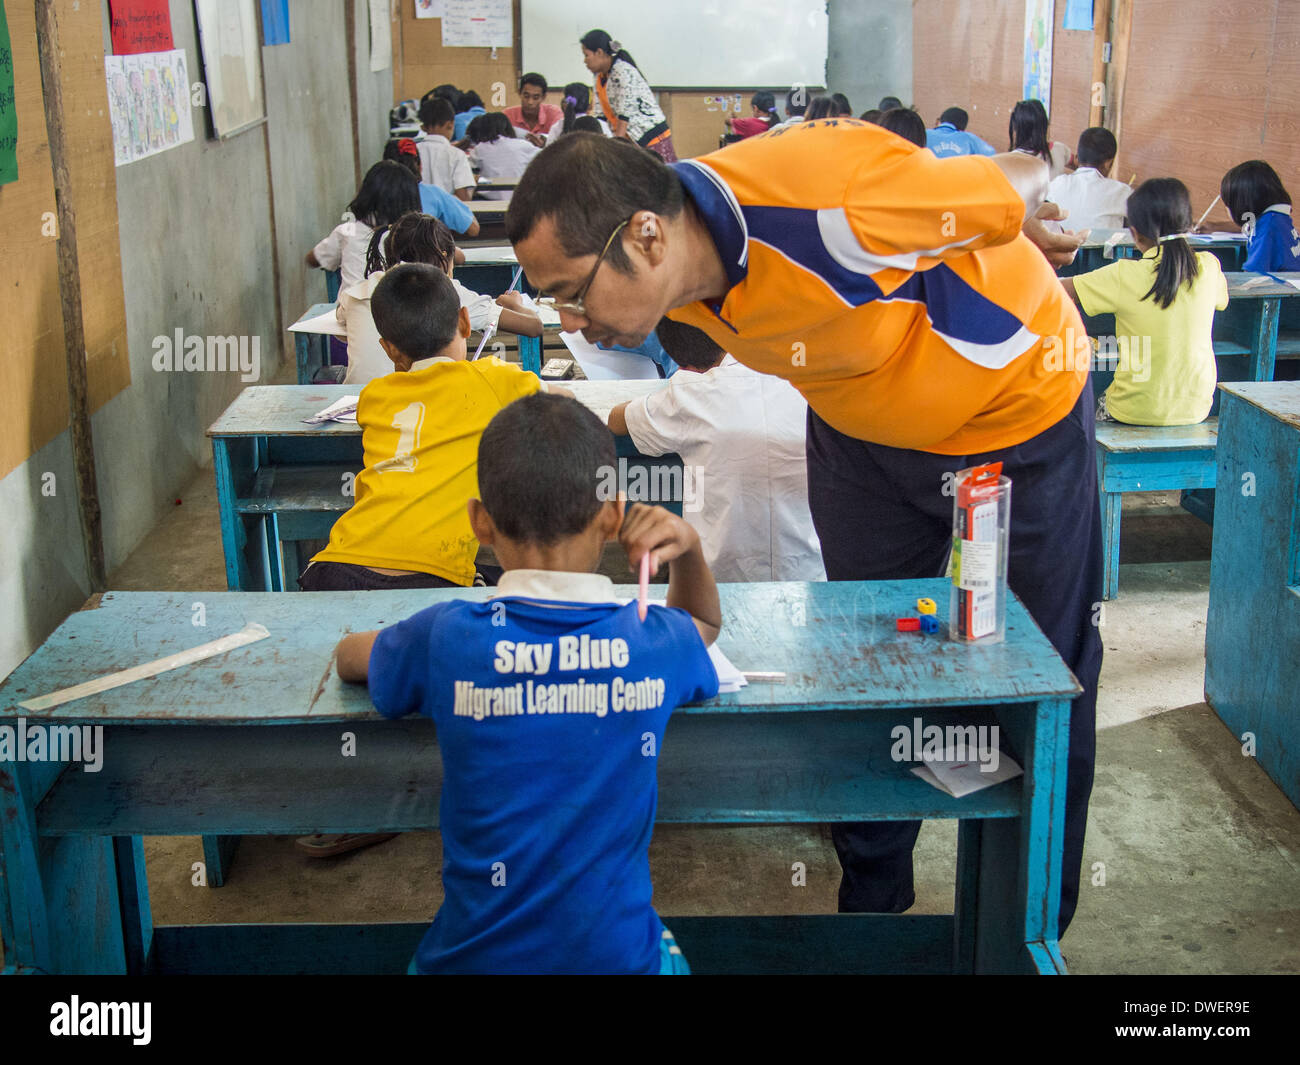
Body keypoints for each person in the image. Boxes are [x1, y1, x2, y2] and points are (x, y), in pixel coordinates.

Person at [506, 128, 1097, 936]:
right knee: (870, 656)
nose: (571, 319)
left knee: (1045, 670)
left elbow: (1023, 171)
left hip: (1017, 416)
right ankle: (872, 913)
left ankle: (1028, 929)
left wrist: (1003, 214)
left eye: (573, 292)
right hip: (861, 429)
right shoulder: (682, 259)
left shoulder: (837, 210)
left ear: (645, 235)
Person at [333, 391, 722, 974]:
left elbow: (349, 658)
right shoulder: (653, 641)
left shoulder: (448, 637)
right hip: (617, 961)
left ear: (480, 522)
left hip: (470, 961)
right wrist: (687, 547)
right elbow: (707, 625)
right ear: (612, 517)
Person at [301, 262, 547, 598]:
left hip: (335, 567)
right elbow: (558, 402)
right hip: (433, 574)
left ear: (388, 348)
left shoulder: (375, 396)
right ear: (464, 321)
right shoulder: (496, 379)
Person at [609, 318, 824, 582]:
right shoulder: (811, 379)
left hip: (718, 580)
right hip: (811, 572)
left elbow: (617, 420)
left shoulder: (690, 393)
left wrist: (666, 394)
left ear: (684, 367)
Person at [1061, 179, 1228, 425]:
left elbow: (1058, 290)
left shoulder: (1123, 274)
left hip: (1133, 409)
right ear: (1189, 224)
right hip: (1197, 407)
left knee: (1085, 410)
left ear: (1135, 233)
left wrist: (1061, 255)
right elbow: (1221, 301)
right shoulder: (1209, 266)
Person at [338, 213, 542, 386]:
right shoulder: (446, 290)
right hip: (418, 399)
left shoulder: (358, 291)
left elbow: (343, 331)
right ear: (446, 257)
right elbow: (534, 327)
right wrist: (517, 305)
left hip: (355, 399)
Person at [306, 160, 420, 289]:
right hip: (401, 307)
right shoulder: (417, 236)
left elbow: (312, 259)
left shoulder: (348, 231)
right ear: (413, 200)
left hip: (352, 307)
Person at [581, 28, 677, 162]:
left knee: (661, 178)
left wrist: (616, 146)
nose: (584, 61)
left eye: (586, 55)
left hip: (649, 137)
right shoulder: (598, 76)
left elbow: (624, 114)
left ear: (599, 52)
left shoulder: (622, 70)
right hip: (627, 139)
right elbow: (600, 115)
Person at [382, 138, 479, 237]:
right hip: (423, 251)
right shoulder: (434, 194)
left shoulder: (376, 195)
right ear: (420, 166)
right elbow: (474, 229)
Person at [1045, 127, 1130, 233]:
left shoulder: (1056, 184)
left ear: (1077, 157)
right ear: (1108, 163)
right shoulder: (1121, 191)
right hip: (1101, 249)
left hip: (1059, 247)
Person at [1220, 160, 1300, 273]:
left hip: (1283, 288)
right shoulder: (1277, 218)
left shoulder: (1267, 228)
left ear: (1243, 203)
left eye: (1228, 204)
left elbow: (1253, 274)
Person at [467, 113, 541, 199]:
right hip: (520, 199)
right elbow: (546, 158)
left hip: (490, 201)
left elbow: (467, 171)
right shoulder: (523, 145)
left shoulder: (480, 148)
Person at [416, 96, 475, 200]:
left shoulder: (413, 151)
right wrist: (472, 185)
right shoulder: (457, 154)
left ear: (423, 127)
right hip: (446, 215)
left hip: (416, 214)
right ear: (450, 124)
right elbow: (464, 198)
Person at [1009, 98, 1071, 179]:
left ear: (1016, 128)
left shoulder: (1011, 161)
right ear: (1045, 124)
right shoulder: (1060, 149)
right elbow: (1080, 163)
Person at [503, 73, 563, 147]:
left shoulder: (554, 114)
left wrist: (547, 144)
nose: (530, 102)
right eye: (526, 96)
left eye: (536, 97)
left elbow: (561, 143)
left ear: (544, 97)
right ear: (519, 93)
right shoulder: (507, 115)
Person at [545, 83, 610, 145]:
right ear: (590, 105)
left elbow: (548, 152)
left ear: (566, 104)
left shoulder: (557, 127)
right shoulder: (602, 125)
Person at [926, 106, 997, 158]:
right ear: (962, 128)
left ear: (940, 122)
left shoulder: (924, 134)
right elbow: (992, 155)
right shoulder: (968, 138)